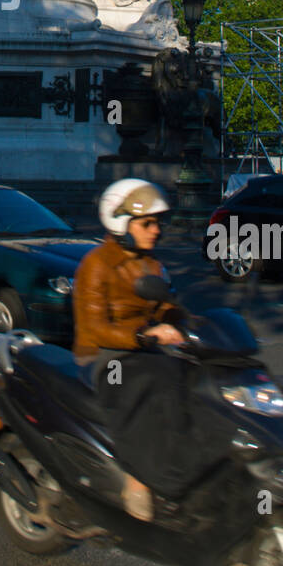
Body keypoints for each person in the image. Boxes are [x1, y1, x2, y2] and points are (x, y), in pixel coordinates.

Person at [72, 179, 228, 522]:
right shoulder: (96, 265)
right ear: (121, 223)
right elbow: (95, 328)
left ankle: (195, 470)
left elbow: (164, 307)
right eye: (147, 223)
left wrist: (193, 324)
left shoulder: (151, 265)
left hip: (142, 349)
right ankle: (139, 480)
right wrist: (145, 336)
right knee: (157, 382)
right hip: (104, 356)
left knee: (196, 379)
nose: (156, 230)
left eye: (158, 223)